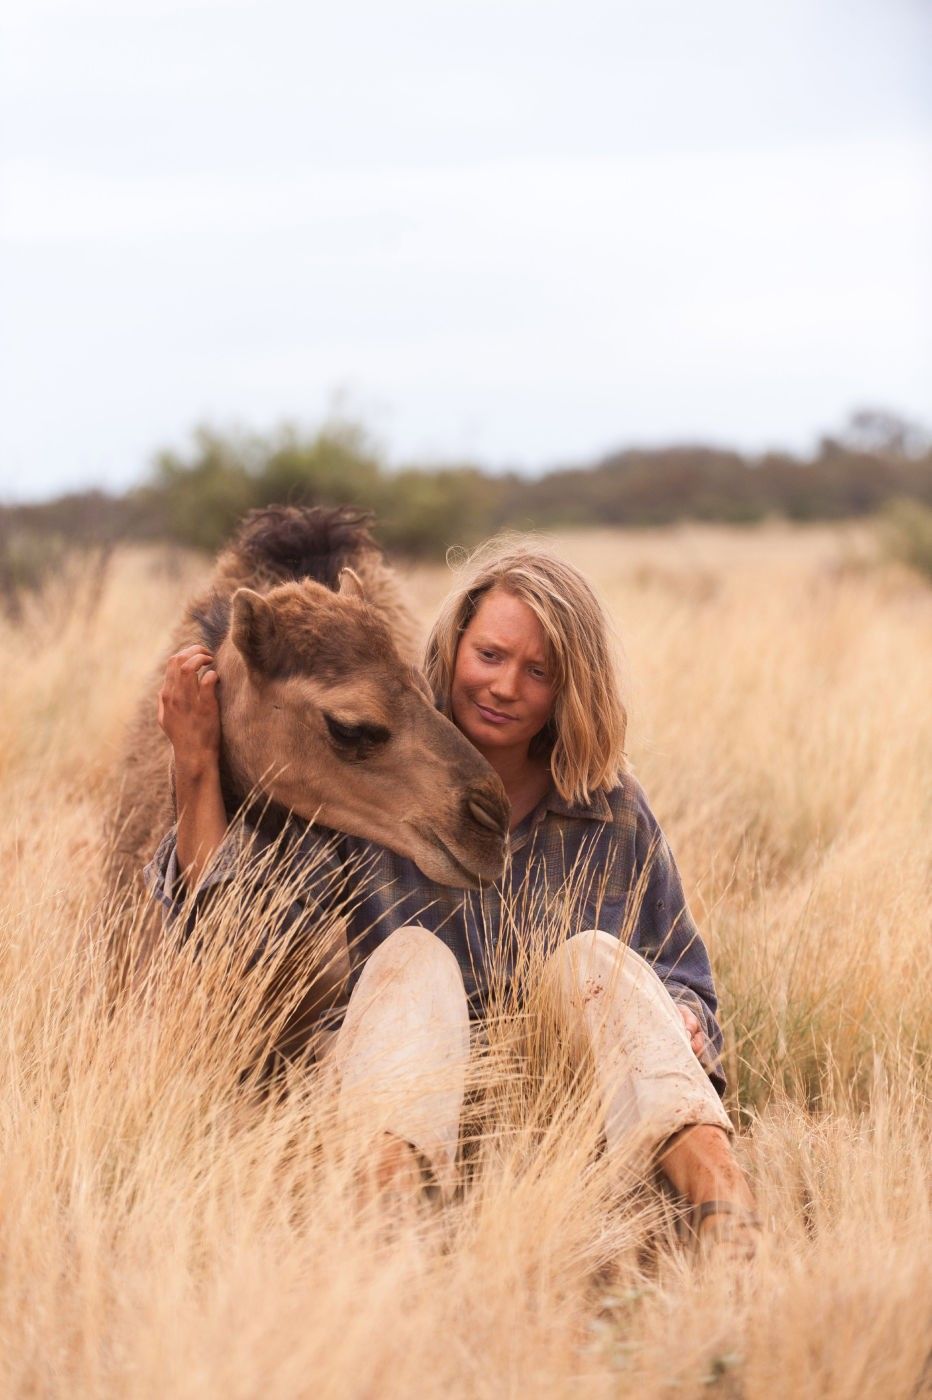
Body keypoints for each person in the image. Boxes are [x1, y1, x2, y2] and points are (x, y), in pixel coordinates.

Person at [146, 537, 760, 1258]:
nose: (505, 687)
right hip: (395, 1097)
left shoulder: (609, 810)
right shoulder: (358, 794)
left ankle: (731, 1222)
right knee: (411, 961)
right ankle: (388, 1243)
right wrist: (195, 767)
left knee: (598, 960)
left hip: (552, 1106)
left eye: (539, 671)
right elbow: (241, 956)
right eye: (491, 656)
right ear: (455, 647)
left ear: (572, 687)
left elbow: (684, 974)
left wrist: (678, 1018)